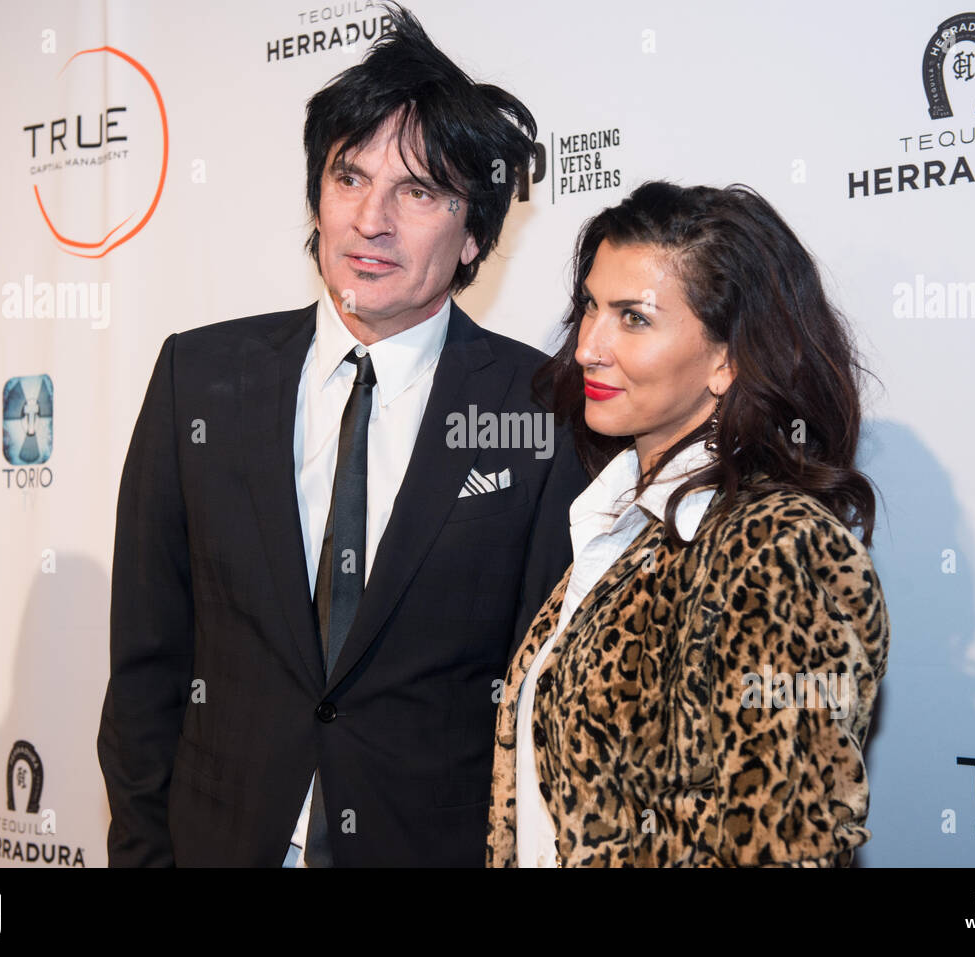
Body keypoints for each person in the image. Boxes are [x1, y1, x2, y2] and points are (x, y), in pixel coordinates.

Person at [98, 4, 588, 867]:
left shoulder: (541, 406)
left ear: (474, 232)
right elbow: (146, 666)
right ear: (316, 197)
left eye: (418, 191)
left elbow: (544, 703)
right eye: (349, 178)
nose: (372, 220)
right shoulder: (199, 378)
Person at [486, 181, 891, 867]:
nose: (588, 346)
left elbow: (780, 847)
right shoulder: (616, 522)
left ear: (728, 357)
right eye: (590, 306)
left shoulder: (778, 548)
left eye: (633, 318)